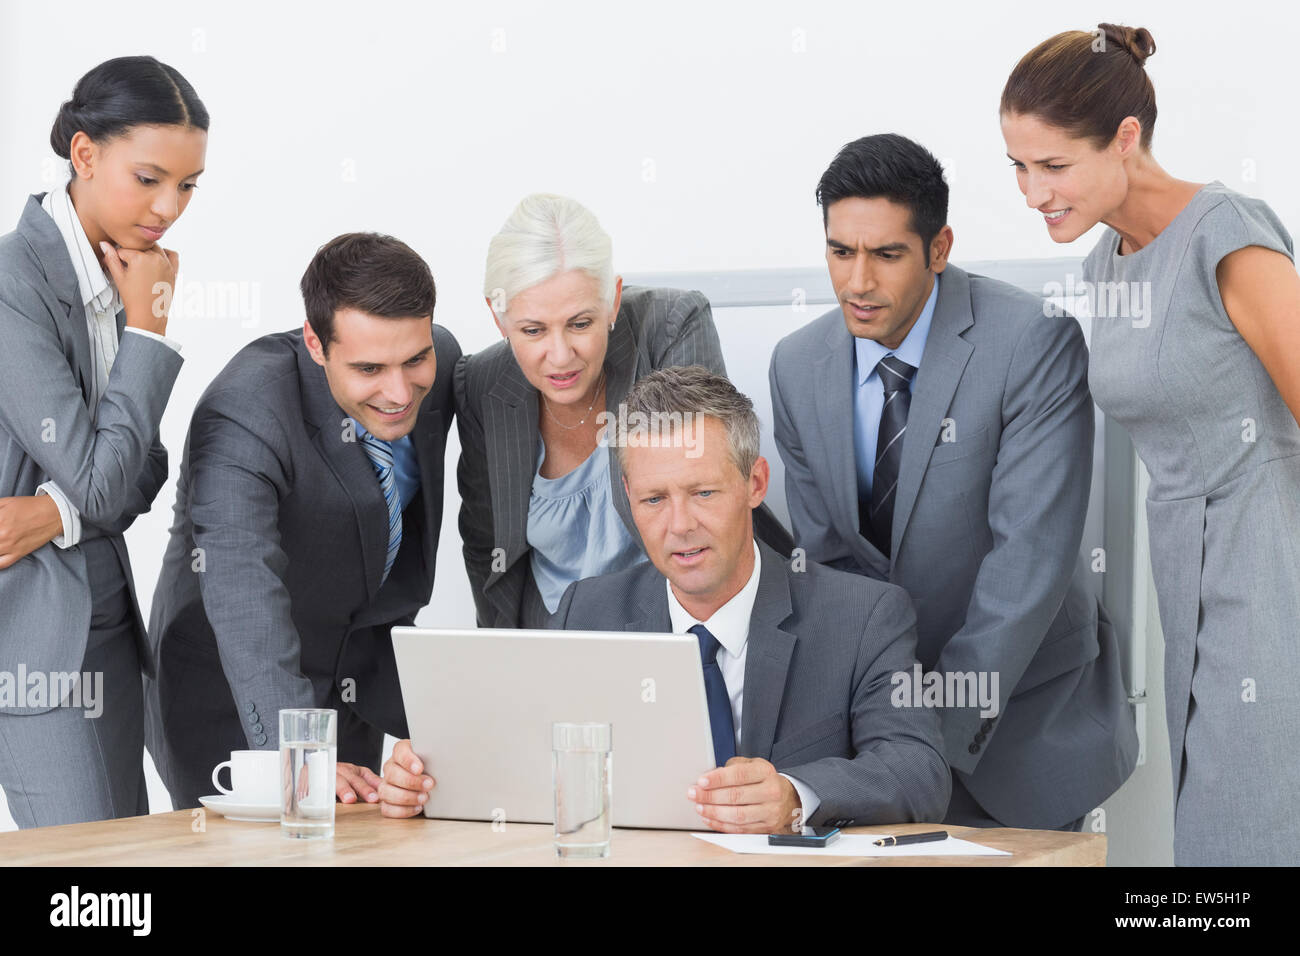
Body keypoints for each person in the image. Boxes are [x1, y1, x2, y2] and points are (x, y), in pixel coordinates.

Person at [381, 366, 951, 828]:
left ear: (754, 484)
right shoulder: (587, 613)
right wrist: (425, 774)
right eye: (653, 499)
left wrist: (795, 795)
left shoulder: (864, 616)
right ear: (627, 497)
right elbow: (518, 756)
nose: (679, 525)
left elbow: (918, 770)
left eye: (702, 492)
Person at [768, 134, 1137, 832]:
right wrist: (875, 737)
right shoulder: (796, 365)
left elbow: (1027, 563)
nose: (858, 282)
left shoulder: (1033, 339)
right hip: (879, 741)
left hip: (1024, 731)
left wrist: (923, 740)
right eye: (840, 252)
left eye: (886, 254)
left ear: (939, 249)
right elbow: (831, 572)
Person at [1001, 23, 1300, 865]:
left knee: (1250, 833)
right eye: (1018, 167)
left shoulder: (1226, 232)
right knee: (1208, 832)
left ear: (1126, 138)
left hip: (1270, 563)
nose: (1032, 193)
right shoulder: (1108, 261)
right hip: (1188, 578)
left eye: (1053, 166)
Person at [145, 233, 461, 810]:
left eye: (414, 360)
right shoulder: (245, 410)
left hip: (353, 688)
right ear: (316, 343)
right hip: (234, 699)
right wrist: (296, 750)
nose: (399, 392)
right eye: (369, 368)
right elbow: (243, 588)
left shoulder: (440, 360)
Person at [0, 56, 206, 828]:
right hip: (28, 632)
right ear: (83, 155)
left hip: (110, 614)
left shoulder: (122, 267)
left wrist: (56, 510)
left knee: (130, 858)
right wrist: (149, 330)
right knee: (82, 871)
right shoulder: (13, 281)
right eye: (149, 178)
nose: (169, 207)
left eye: (187, 185)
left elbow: (141, 468)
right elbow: (105, 478)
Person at [455, 193, 793, 628]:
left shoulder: (669, 325)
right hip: (553, 643)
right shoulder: (481, 383)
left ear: (613, 299)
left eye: (580, 323)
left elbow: (697, 490)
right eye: (533, 330)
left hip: (676, 624)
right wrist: (508, 665)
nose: (560, 356)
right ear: (498, 317)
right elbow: (487, 550)